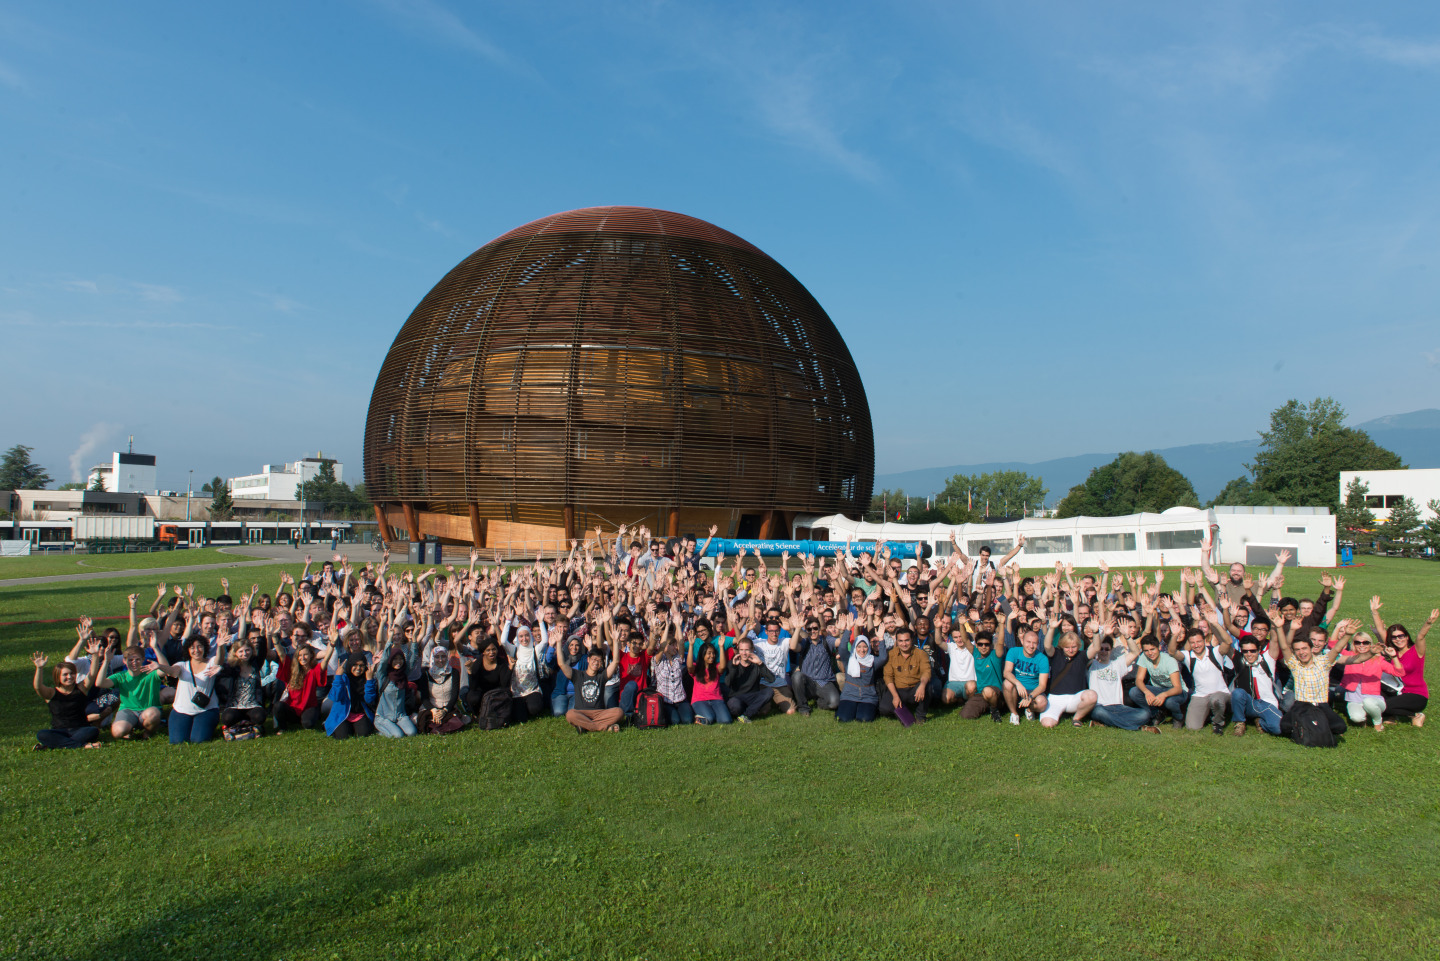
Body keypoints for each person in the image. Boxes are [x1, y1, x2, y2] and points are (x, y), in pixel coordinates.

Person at [1277, 614, 1348, 739]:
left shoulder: (1324, 661)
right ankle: (1306, 725)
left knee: (1340, 727)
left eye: (1305, 649)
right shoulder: (1295, 664)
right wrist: (1279, 627)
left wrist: (1348, 635)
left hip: (1320, 703)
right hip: (1301, 703)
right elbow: (1284, 647)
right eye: (1298, 650)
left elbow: (1337, 649)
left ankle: (1317, 725)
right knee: (1285, 727)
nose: (1302, 652)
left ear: (1311, 649)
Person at [32, 639, 105, 750]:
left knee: (93, 731)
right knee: (42, 734)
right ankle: (82, 745)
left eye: (72, 673)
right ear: (58, 676)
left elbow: (93, 674)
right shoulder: (51, 693)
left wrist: (95, 655)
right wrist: (39, 668)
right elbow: (38, 687)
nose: (69, 677)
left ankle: (53, 745)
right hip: (59, 731)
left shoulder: (81, 688)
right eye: (65, 675)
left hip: (80, 729)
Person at [152, 631, 222, 744]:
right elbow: (173, 672)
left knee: (198, 740)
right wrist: (160, 666)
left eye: (199, 646)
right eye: (192, 648)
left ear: (205, 648)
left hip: (206, 710)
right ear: (188, 650)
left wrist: (221, 646)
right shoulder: (182, 665)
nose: (196, 650)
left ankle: (204, 726)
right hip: (181, 710)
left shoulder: (211, 663)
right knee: (177, 742)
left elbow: (219, 659)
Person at [1372, 598, 1431, 727]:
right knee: (1377, 700)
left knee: (1383, 706)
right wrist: (1374, 611)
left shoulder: (1416, 650)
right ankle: (1392, 715)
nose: (1398, 639)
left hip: (1417, 695)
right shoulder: (1394, 651)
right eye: (1394, 637)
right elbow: (1381, 630)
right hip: (1398, 691)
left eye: (1401, 636)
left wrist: (1428, 622)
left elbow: (1421, 636)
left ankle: (1416, 715)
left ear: (1407, 637)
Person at [1336, 628, 1404, 731]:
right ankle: (1363, 718)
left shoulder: (1378, 660)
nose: (1361, 645)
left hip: (1374, 699)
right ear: (1353, 644)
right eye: (1358, 642)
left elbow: (1399, 673)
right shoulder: (1349, 656)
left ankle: (1378, 722)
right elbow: (1333, 647)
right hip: (1354, 698)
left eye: (1365, 642)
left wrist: (1394, 656)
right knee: (1356, 718)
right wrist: (1339, 628)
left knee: (1368, 702)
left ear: (1370, 644)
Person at [1084, 630, 1153, 732]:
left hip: (1119, 707)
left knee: (1145, 714)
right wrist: (1104, 634)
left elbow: (1135, 652)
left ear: (1111, 650)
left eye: (1107, 649)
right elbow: (1090, 650)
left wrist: (1127, 636)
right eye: (1101, 649)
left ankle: (1105, 722)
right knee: (1098, 713)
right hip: (1100, 706)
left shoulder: (1117, 664)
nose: (1103, 651)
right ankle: (1137, 727)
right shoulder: (1091, 665)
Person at [96, 642, 167, 740]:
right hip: (128, 710)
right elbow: (100, 683)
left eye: (137, 659)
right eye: (130, 660)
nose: (134, 662)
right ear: (124, 661)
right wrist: (106, 661)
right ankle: (130, 728)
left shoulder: (150, 672)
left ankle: (148, 732)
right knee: (117, 732)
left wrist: (155, 648)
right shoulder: (120, 676)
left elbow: (165, 670)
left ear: (143, 659)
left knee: (153, 714)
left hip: (148, 710)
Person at [558, 627, 623, 732]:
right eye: (593, 659)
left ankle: (585, 726)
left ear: (601, 663)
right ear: (588, 660)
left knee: (619, 712)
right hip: (581, 712)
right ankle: (602, 727)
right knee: (570, 714)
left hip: (599, 713)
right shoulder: (578, 675)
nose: (596, 662)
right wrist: (558, 642)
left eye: (599, 661)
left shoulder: (602, 676)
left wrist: (615, 641)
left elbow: (615, 661)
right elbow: (561, 664)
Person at [1172, 623, 1234, 735]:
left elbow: (1228, 641)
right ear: (1189, 643)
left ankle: (1218, 724)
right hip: (1200, 695)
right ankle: (1208, 715)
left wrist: (1216, 624)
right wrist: (1174, 635)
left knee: (1216, 700)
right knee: (1192, 727)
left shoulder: (1215, 652)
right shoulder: (1188, 656)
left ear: (1204, 641)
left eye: (1199, 641)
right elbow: (1172, 651)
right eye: (1193, 643)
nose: (1196, 645)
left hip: (1220, 693)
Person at [1039, 627, 1095, 728]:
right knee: (1048, 724)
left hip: (1075, 699)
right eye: (1067, 647)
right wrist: (1051, 628)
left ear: (1078, 646)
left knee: (1092, 695)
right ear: (1062, 646)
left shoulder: (1082, 656)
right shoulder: (1056, 654)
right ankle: (1058, 714)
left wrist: (1097, 632)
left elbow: (1096, 647)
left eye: (1074, 647)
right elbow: (1047, 646)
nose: (1071, 650)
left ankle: (1076, 718)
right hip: (1055, 698)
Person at [1127, 635, 1187, 729]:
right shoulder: (1144, 657)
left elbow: (1178, 688)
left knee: (1170, 702)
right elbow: (1138, 680)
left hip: (1177, 691)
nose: (1150, 653)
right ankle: (1156, 713)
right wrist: (1147, 692)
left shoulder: (1169, 661)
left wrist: (1164, 695)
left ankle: (1178, 717)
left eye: (1152, 649)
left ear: (1159, 647)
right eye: (1146, 650)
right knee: (1134, 692)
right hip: (1158, 688)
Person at [788, 617, 840, 715]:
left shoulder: (826, 641)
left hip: (824, 681)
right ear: (806, 630)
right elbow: (793, 647)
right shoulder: (805, 642)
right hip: (808, 682)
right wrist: (798, 628)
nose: (812, 631)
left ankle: (819, 702)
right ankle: (803, 708)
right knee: (797, 676)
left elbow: (838, 642)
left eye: (815, 628)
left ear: (819, 629)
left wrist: (843, 630)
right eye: (809, 629)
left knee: (834, 703)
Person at [880, 627, 930, 724]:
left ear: (912, 640)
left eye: (907, 640)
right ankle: (904, 709)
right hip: (898, 689)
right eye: (901, 641)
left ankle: (920, 716)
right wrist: (895, 696)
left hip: (914, 689)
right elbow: (888, 677)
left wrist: (922, 686)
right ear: (897, 641)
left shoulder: (921, 654)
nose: (904, 644)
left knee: (928, 687)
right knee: (884, 709)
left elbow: (926, 672)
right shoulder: (891, 654)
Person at [323, 653, 377, 739]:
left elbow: (369, 700)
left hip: (359, 714)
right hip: (342, 714)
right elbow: (336, 697)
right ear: (350, 665)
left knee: (364, 733)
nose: (358, 668)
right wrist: (338, 677)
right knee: (342, 736)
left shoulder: (367, 678)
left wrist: (369, 680)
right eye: (355, 665)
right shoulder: (343, 677)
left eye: (361, 665)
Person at [836, 634, 888, 723]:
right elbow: (842, 649)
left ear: (868, 648)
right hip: (849, 695)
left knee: (864, 719)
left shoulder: (872, 661)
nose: (862, 650)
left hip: (868, 697)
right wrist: (847, 630)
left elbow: (883, 658)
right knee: (843, 718)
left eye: (865, 647)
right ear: (855, 647)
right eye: (859, 647)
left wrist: (881, 639)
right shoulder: (849, 659)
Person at [725, 637, 779, 722]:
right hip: (737, 697)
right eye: (741, 650)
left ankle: (746, 715)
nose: (744, 653)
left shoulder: (756, 664)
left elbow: (771, 679)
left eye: (747, 650)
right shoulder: (733, 663)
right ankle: (749, 712)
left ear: (752, 650)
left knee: (769, 691)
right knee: (734, 706)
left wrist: (760, 664)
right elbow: (727, 683)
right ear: (738, 650)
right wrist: (734, 668)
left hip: (753, 696)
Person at [1002, 629, 1049, 725]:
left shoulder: (1042, 659)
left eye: (1034, 643)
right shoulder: (1013, 651)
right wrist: (1018, 683)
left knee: (1042, 703)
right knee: (1007, 683)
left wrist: (1031, 696)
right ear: (1022, 641)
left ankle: (1029, 709)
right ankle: (1014, 713)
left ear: (1038, 644)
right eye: (1028, 642)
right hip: (1017, 689)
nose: (1031, 646)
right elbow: (1006, 672)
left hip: (1032, 690)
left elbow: (1042, 685)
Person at [687, 638, 732, 724]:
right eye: (709, 653)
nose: (712, 655)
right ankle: (698, 716)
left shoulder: (716, 667)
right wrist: (691, 646)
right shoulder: (696, 668)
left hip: (716, 699)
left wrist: (721, 647)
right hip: (699, 700)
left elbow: (722, 666)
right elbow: (689, 666)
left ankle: (709, 714)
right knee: (709, 719)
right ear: (703, 655)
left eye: (713, 653)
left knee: (726, 720)